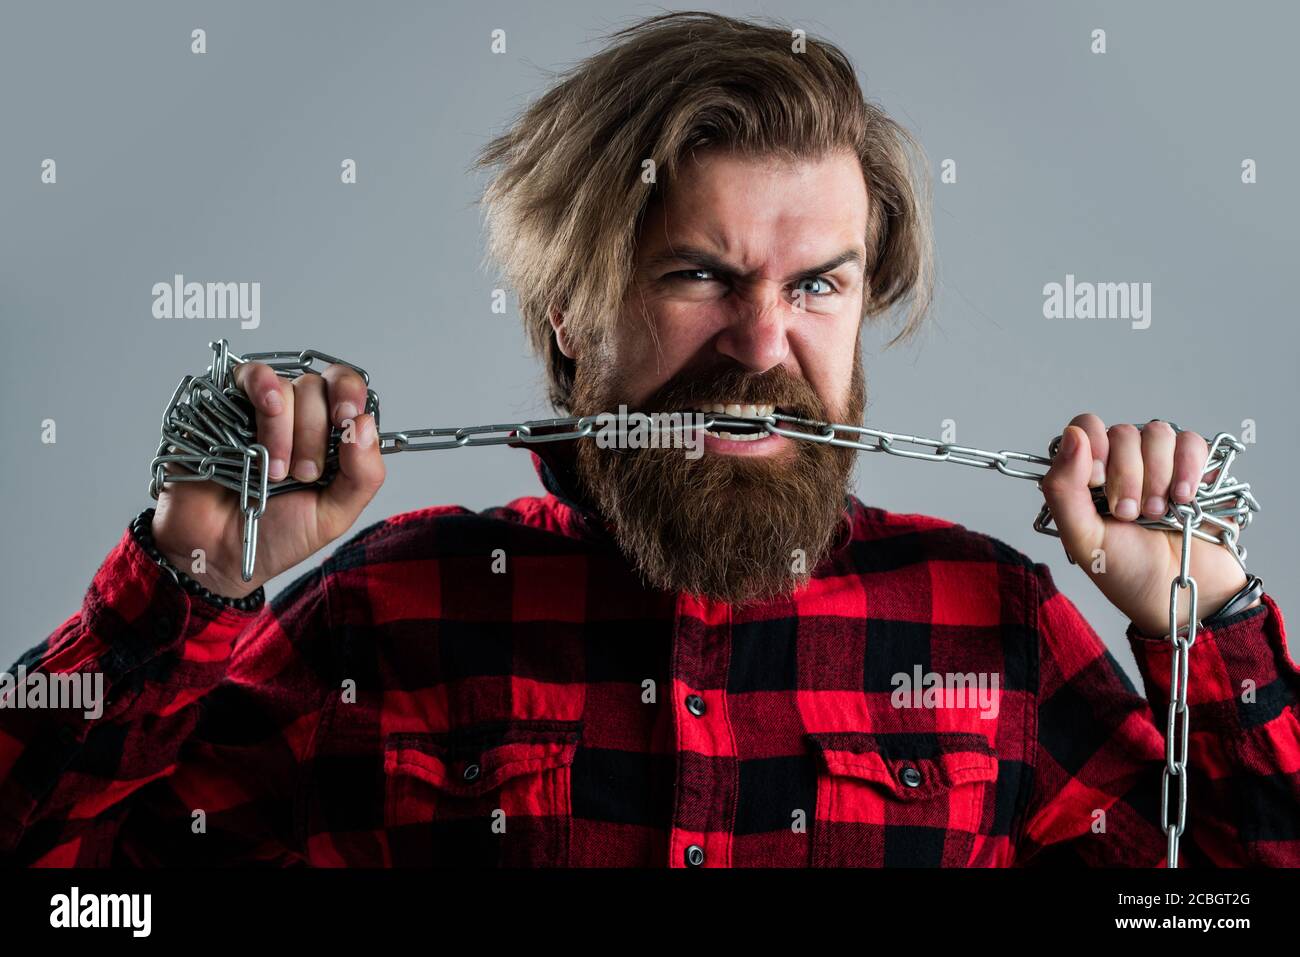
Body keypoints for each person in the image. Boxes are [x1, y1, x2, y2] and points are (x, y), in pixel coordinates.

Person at [1, 11, 1293, 868]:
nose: (758, 345)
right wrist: (187, 580)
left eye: (817, 287)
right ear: (569, 311)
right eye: (698, 277)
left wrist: (1204, 612)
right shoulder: (383, 612)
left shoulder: (986, 626)